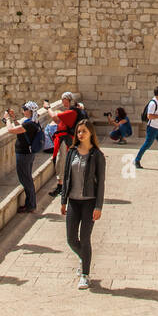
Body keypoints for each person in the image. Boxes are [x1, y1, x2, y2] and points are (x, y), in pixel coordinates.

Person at [60, 120, 106, 289]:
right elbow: (66, 177)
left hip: (89, 202)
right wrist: (63, 200)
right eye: (79, 131)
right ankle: (84, 258)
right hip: (73, 201)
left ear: (91, 133)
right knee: (71, 239)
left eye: (84, 131)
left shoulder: (97, 156)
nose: (80, 134)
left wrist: (98, 206)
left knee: (85, 238)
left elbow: (101, 182)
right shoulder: (72, 152)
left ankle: (85, 275)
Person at [0, 102, 42, 212]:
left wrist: (7, 119)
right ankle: (31, 204)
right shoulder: (33, 122)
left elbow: (11, 130)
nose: (23, 110)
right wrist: (13, 119)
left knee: (25, 179)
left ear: (29, 111)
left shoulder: (30, 124)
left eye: (24, 109)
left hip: (24, 155)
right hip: (28, 154)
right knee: (27, 178)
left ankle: (31, 205)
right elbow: (21, 128)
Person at [49, 92, 84, 196]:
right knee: (62, 162)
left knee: (63, 162)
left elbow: (55, 118)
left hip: (67, 140)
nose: (63, 101)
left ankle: (63, 187)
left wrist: (48, 108)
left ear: (69, 100)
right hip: (66, 140)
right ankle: (64, 186)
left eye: (65, 99)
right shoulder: (75, 111)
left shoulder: (72, 112)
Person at [134, 86, 158, 170]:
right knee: (147, 145)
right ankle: (137, 160)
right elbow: (149, 116)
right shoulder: (153, 103)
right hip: (152, 128)